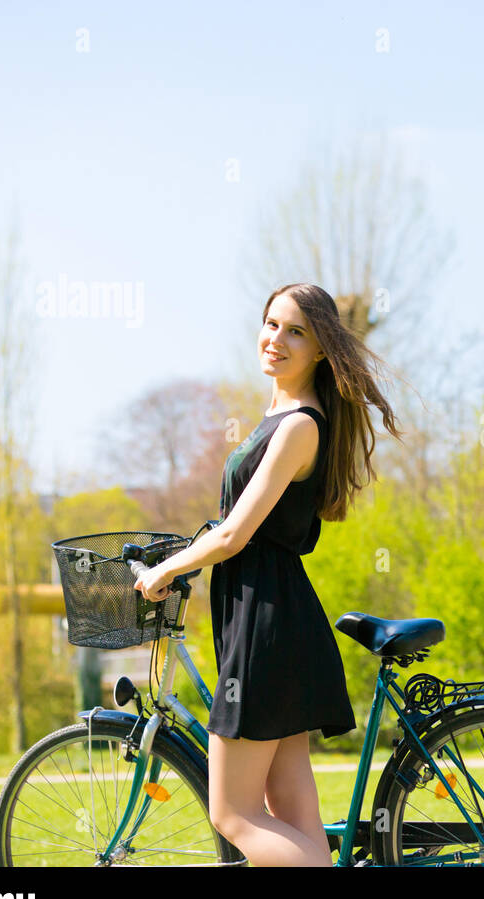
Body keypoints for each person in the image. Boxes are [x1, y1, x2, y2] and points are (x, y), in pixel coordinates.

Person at [133, 282, 404, 866]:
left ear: (321, 351)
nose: (275, 339)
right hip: (271, 620)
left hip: (267, 628)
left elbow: (234, 535)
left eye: (295, 331)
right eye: (271, 323)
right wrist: (187, 555)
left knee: (230, 813)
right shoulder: (280, 416)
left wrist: (164, 570)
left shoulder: (299, 426)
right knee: (289, 812)